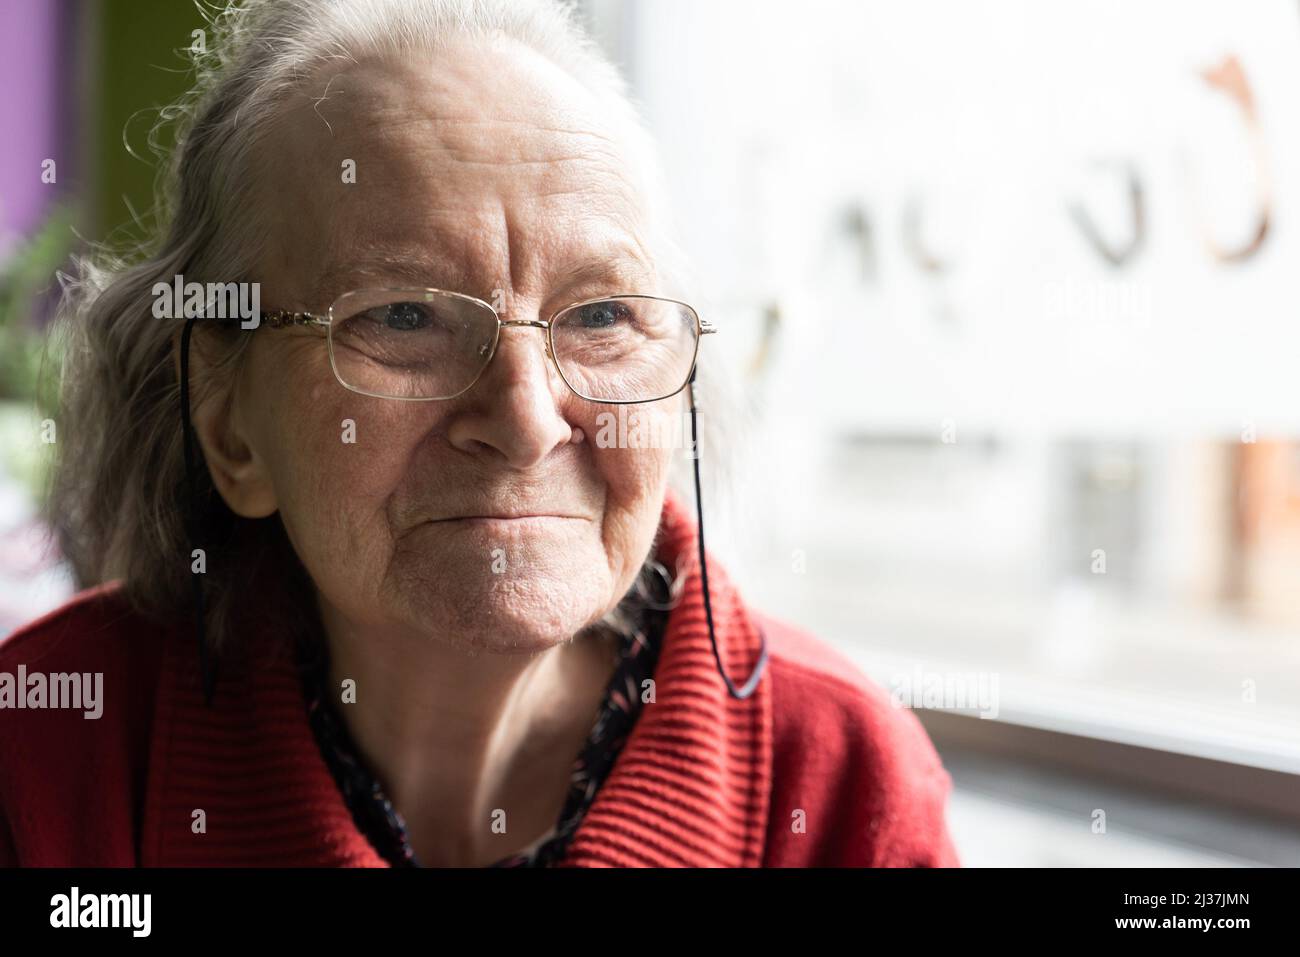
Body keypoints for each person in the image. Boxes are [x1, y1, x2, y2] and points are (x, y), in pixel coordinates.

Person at [0, 0, 959, 868]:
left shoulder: (841, 782)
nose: (528, 420)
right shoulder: (45, 749)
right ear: (229, 421)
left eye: (602, 316)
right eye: (405, 316)